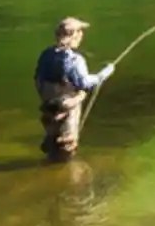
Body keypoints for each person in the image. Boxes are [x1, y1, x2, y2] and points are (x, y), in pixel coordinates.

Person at [34, 17, 115, 160]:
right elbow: (84, 83)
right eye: (80, 32)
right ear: (73, 35)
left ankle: (51, 161)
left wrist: (48, 99)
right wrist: (105, 73)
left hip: (48, 105)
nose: (82, 35)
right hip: (67, 106)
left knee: (53, 139)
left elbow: (38, 79)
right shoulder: (74, 60)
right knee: (68, 144)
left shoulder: (46, 54)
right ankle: (64, 172)